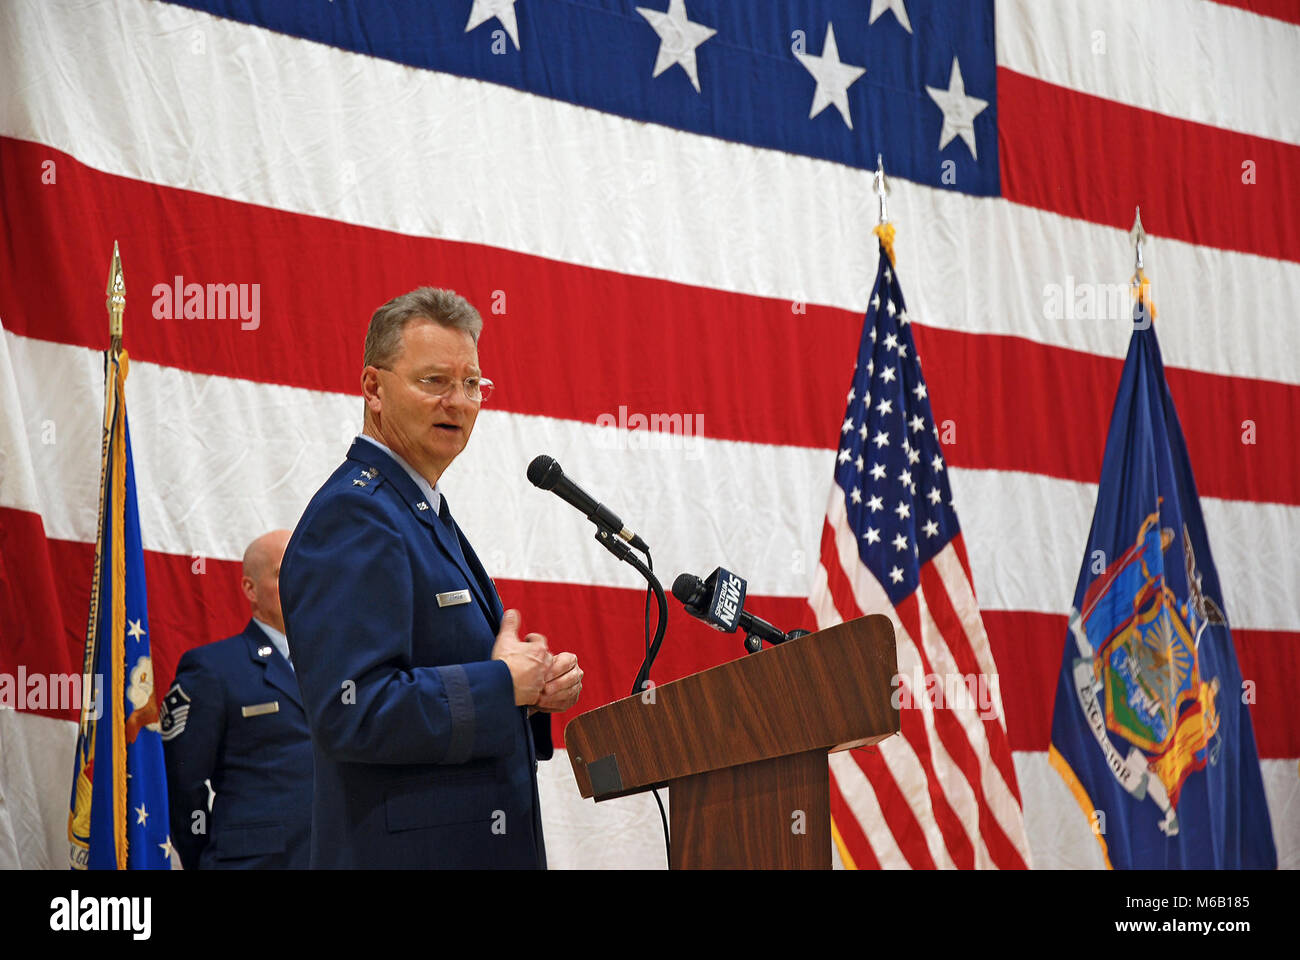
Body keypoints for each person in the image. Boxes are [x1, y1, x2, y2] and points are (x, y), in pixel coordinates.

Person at [279, 287, 583, 869]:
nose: (459, 402)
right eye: (433, 381)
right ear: (373, 389)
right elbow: (354, 710)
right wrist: (501, 684)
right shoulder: (357, 515)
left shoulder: (417, 510)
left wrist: (529, 693)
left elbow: (443, 678)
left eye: (472, 384)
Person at [161, 529, 313, 869]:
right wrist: (202, 857)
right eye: (281, 571)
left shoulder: (337, 664)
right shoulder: (213, 669)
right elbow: (183, 782)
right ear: (250, 588)